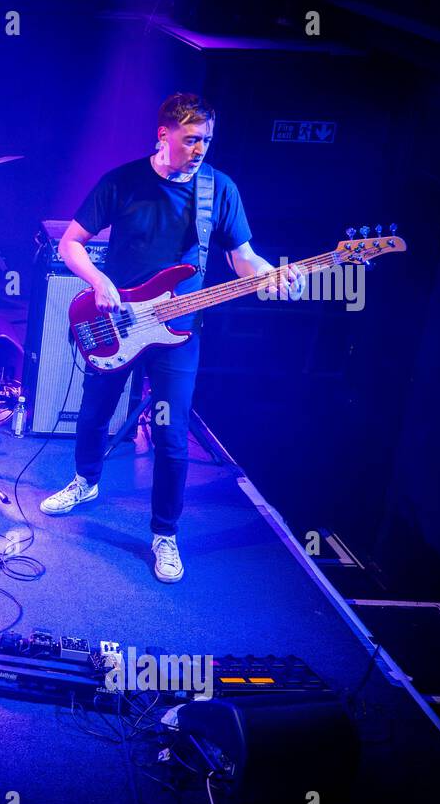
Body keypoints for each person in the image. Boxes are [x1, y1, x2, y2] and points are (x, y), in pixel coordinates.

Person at [40, 92, 305, 584]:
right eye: (191, 139)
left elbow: (242, 256)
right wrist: (99, 282)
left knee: (171, 437)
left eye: (206, 140)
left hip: (180, 331)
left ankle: (165, 534)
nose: (200, 148)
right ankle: (85, 481)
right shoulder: (122, 181)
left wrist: (274, 273)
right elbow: (70, 242)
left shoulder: (218, 190)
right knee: (95, 411)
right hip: (118, 324)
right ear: (163, 135)